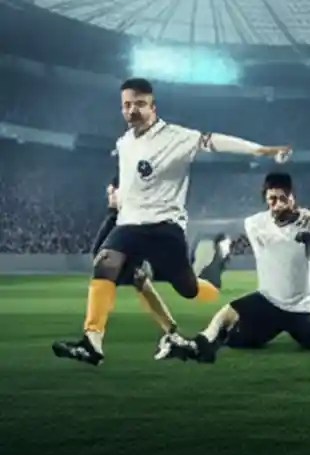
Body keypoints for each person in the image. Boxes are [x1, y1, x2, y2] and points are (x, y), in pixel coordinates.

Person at [53, 78, 292, 366]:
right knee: (105, 262)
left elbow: (213, 141)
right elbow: (132, 179)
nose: (132, 110)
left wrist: (260, 150)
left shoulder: (176, 137)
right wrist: (118, 202)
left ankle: (215, 267)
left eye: (139, 104)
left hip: (165, 227)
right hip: (129, 224)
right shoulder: (124, 142)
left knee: (189, 289)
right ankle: (92, 342)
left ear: (153, 107)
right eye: (126, 105)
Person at [156, 173, 310, 362]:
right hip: (269, 300)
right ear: (265, 199)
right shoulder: (255, 223)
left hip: (302, 308)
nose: (278, 204)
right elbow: (239, 243)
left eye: (283, 198)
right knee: (234, 325)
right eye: (272, 199)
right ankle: (203, 343)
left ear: (292, 198)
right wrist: (222, 256)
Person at [92, 176, 183, 345]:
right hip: (126, 220)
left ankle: (93, 336)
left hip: (127, 221)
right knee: (136, 277)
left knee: (112, 266)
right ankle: (171, 331)